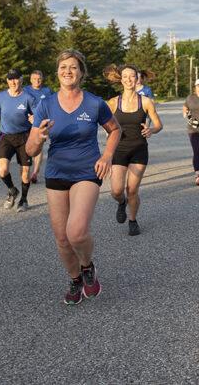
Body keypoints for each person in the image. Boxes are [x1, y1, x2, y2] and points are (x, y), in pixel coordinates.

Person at [25, 49, 121, 304]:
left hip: (87, 171)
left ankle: (87, 267)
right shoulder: (45, 104)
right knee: (62, 240)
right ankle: (75, 278)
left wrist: (107, 156)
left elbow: (114, 130)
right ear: (57, 71)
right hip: (57, 173)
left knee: (76, 233)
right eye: (63, 66)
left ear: (81, 72)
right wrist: (39, 138)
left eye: (73, 67)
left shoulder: (94, 103)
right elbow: (30, 149)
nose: (68, 71)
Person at [104, 64, 163, 236]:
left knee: (132, 190)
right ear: (121, 79)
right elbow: (105, 125)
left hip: (139, 149)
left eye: (132, 76)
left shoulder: (145, 102)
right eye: (126, 76)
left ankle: (132, 220)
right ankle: (121, 202)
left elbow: (159, 124)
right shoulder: (113, 102)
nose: (129, 79)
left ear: (137, 78)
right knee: (116, 190)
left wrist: (151, 130)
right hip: (119, 150)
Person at [0, 68, 38, 213]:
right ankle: (12, 190)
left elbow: (38, 115)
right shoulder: (0, 96)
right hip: (6, 136)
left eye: (16, 78)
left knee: (25, 173)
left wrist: (34, 119)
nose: (13, 82)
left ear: (21, 80)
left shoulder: (29, 98)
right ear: (7, 80)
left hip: (24, 137)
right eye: (10, 79)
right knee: (3, 170)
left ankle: (23, 199)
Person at [23, 70, 54, 184]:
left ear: (42, 79)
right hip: (27, 123)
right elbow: (21, 105)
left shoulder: (48, 91)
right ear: (31, 80)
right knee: (28, 147)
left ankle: (35, 172)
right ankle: (26, 169)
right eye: (35, 78)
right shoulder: (25, 91)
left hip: (41, 124)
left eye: (39, 78)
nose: (37, 80)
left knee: (39, 144)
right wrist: (29, 116)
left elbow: (52, 106)